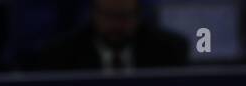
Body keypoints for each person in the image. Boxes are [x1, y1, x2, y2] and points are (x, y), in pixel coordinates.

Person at [33, 0, 187, 72]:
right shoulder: (61, 55)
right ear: (94, 14)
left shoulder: (169, 50)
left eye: (124, 17)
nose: (116, 25)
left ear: (139, 16)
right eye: (109, 16)